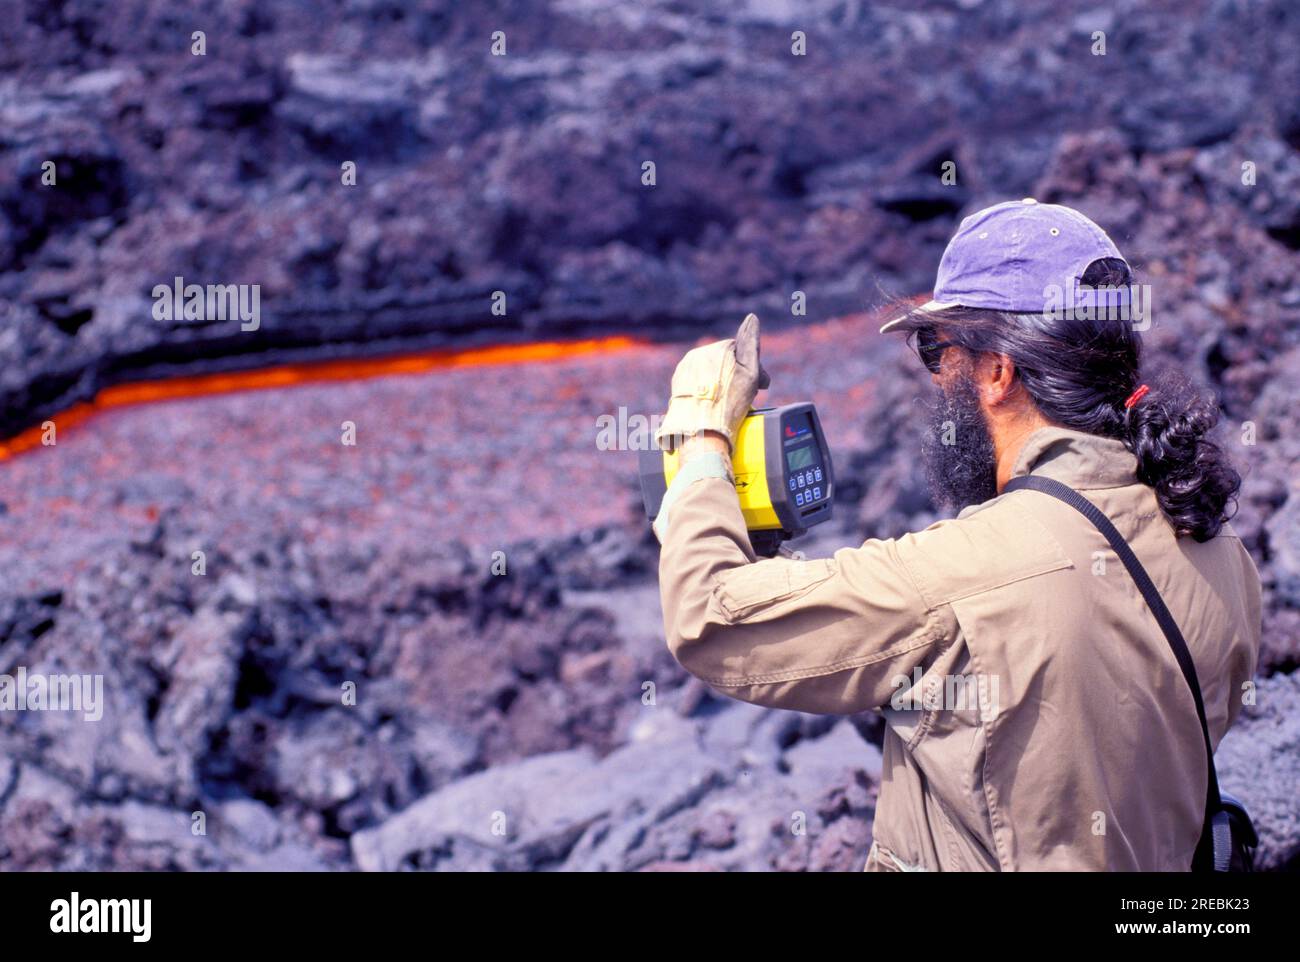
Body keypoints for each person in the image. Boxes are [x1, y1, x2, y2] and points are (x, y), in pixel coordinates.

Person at [650, 198, 1261, 871]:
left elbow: (709, 618)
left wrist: (702, 439)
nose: (936, 376)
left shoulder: (965, 574)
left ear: (999, 371)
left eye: (935, 348)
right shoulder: (1221, 552)